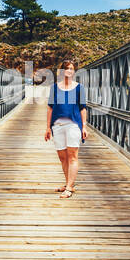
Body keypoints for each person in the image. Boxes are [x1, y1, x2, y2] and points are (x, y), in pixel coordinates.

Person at [44, 59, 87, 199]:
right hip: (57, 126)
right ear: (62, 71)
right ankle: (68, 183)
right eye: (66, 68)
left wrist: (84, 126)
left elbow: (83, 108)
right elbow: (50, 108)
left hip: (73, 125)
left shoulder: (79, 87)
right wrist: (47, 128)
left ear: (74, 71)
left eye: (71, 68)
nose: (69, 71)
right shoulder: (54, 88)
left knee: (72, 156)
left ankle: (69, 187)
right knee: (63, 157)